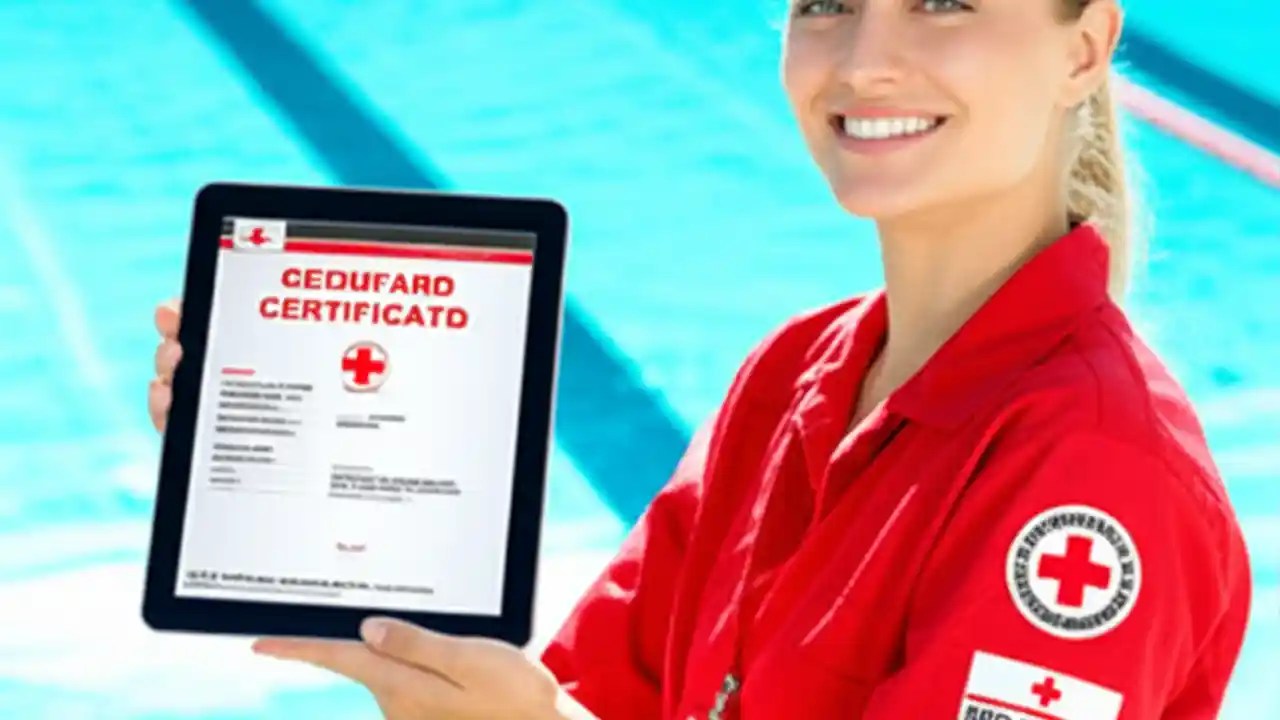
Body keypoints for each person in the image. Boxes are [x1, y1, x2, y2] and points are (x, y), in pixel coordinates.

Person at [147, 0, 1252, 718]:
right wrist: (300, 467)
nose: (865, 62)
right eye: (824, 6)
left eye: (941, 4)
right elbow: (593, 695)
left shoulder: (1094, 469)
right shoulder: (792, 374)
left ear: (1082, 49)